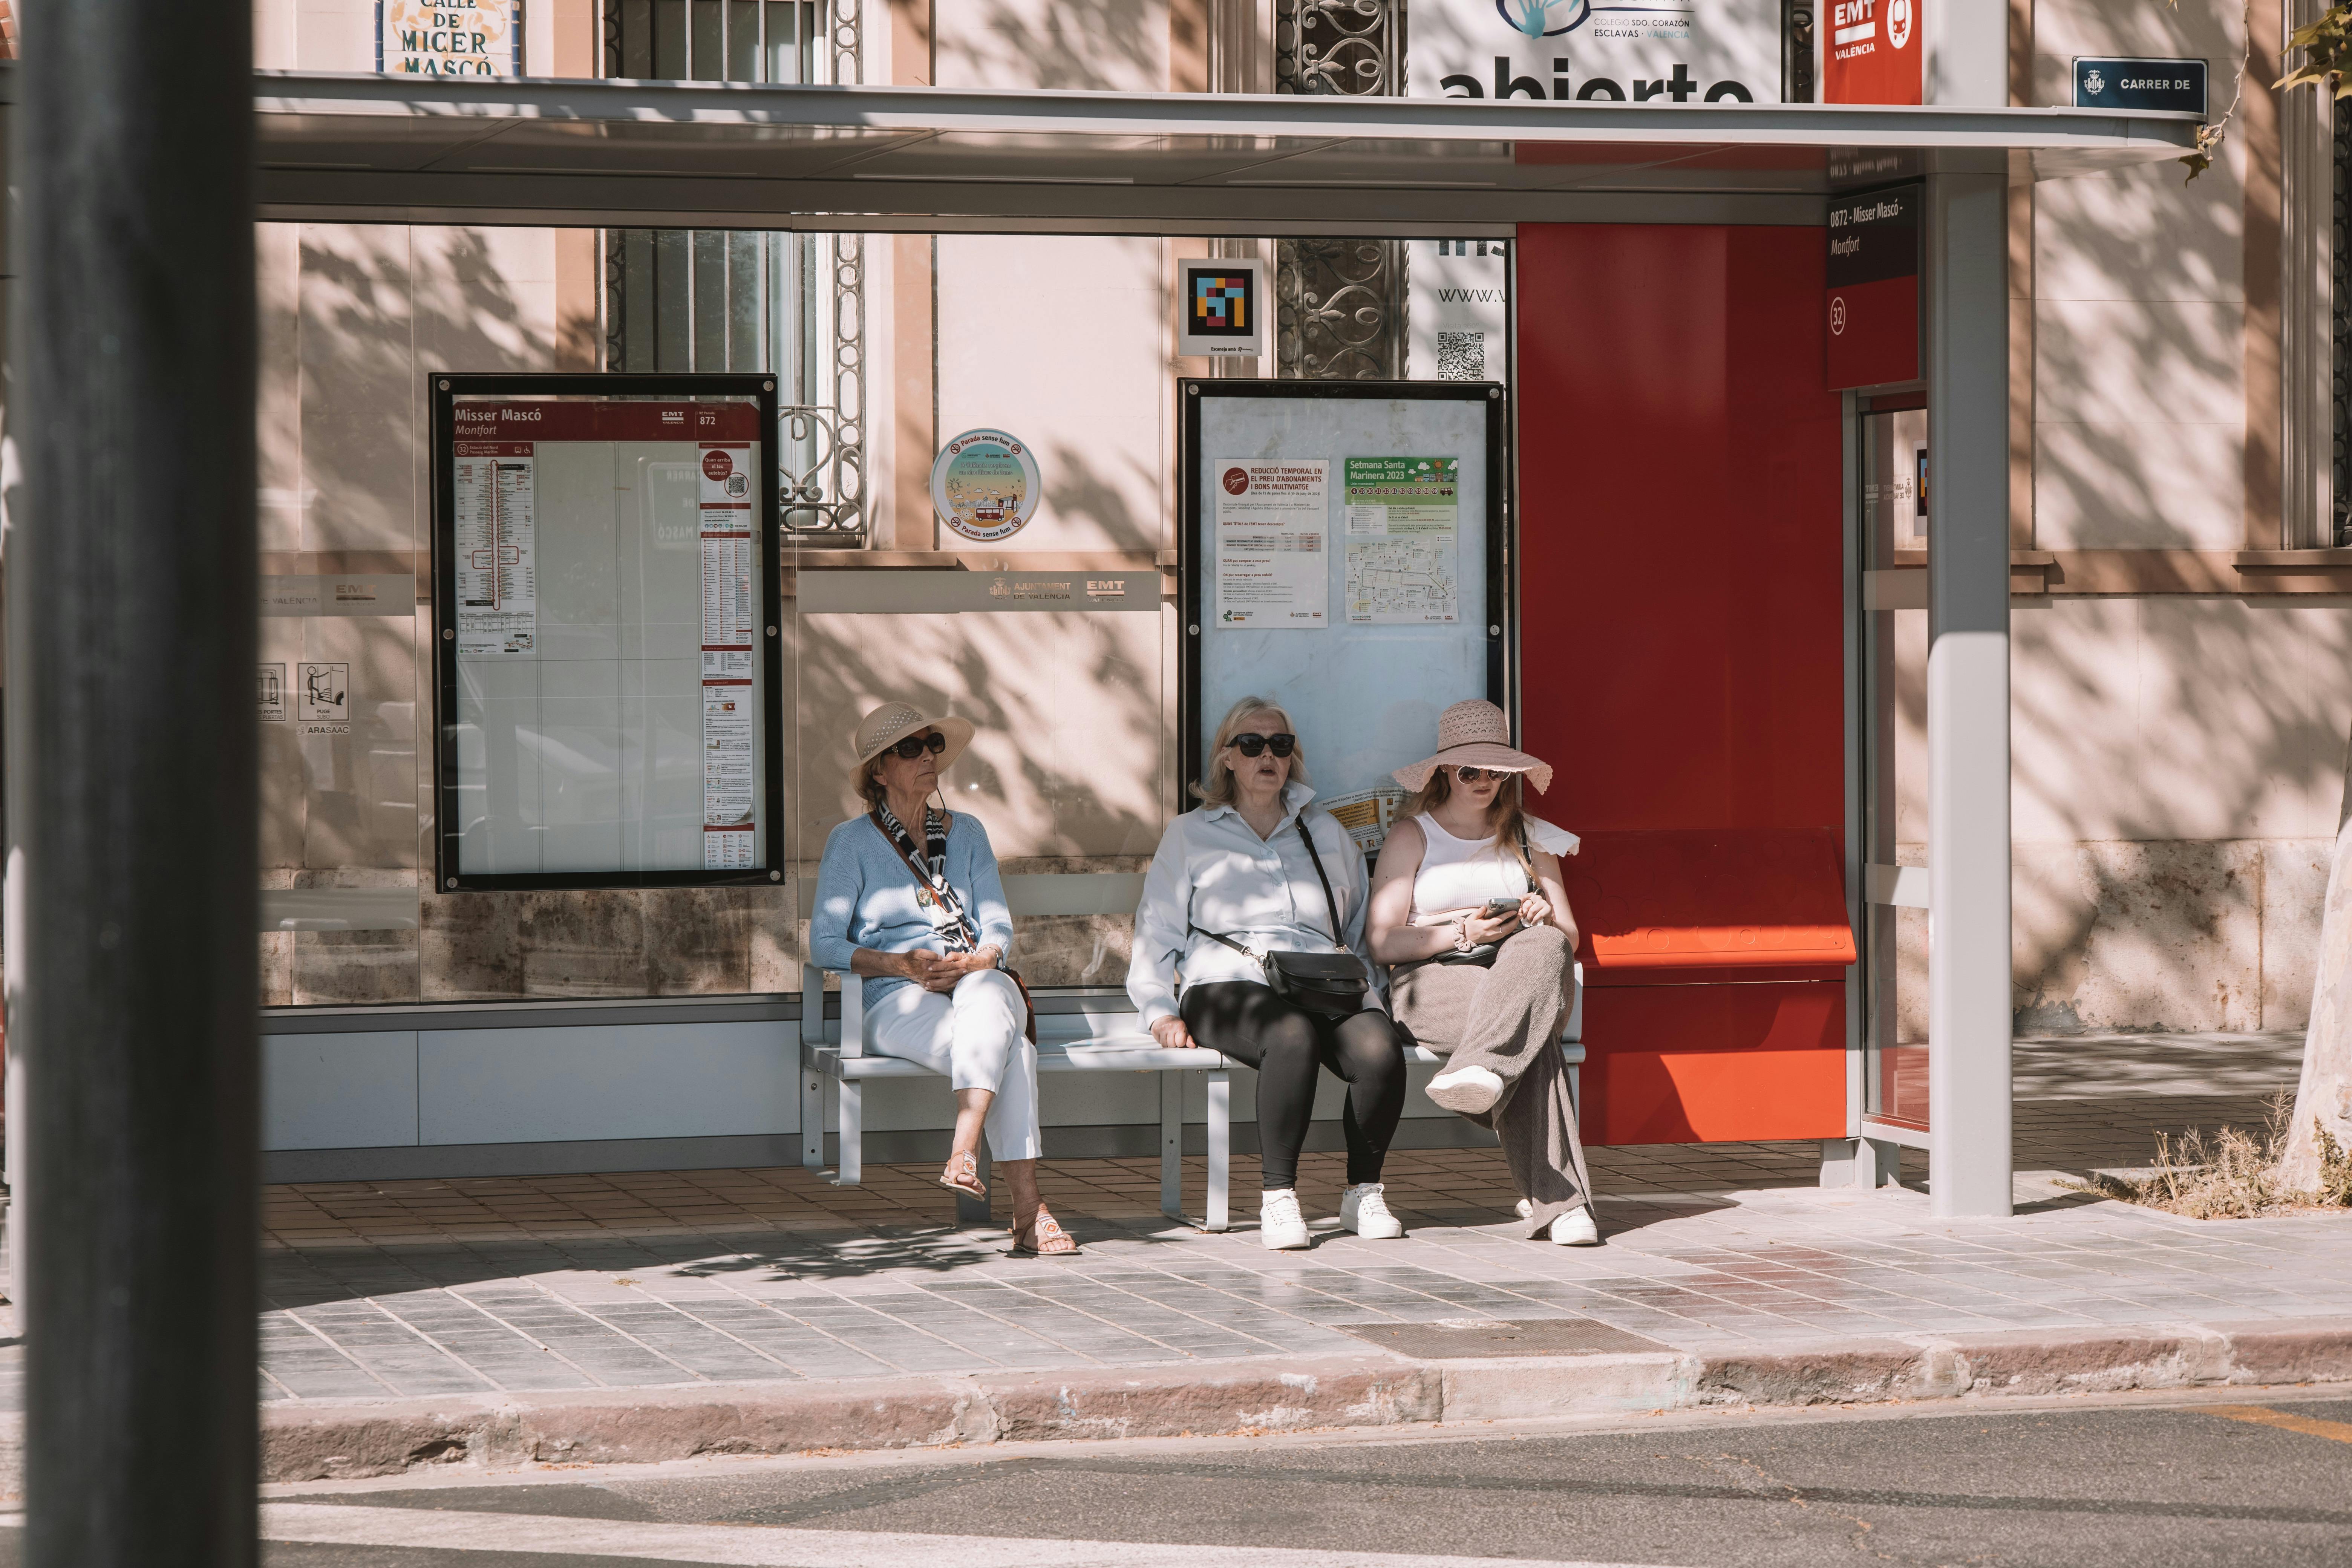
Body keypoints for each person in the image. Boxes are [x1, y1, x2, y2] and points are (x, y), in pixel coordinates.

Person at [1130, 695, 1410, 1250]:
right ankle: (1279, 1198)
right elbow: (1157, 927)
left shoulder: (1324, 832)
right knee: (1291, 1035)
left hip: (1316, 978)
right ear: (1227, 757)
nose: (1268, 756)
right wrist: (1158, 1009)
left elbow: (1354, 924)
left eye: (1280, 745)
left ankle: (1363, 1191)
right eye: (1252, 745)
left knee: (1379, 1049)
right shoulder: (1192, 833)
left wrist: (1370, 996)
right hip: (1224, 985)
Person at [811, 700, 1077, 1257]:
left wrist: (984, 957)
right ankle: (1028, 1211)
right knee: (1015, 1053)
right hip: (895, 999)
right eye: (909, 749)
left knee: (991, 986)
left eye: (931, 744)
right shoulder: (852, 842)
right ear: (879, 772)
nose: (927, 756)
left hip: (973, 983)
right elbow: (825, 945)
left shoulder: (969, 833)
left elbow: (998, 923)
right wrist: (897, 963)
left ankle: (965, 1146)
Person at [1367, 699, 1600, 1246]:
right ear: (1445, 770)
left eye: (1497, 772)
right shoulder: (1413, 835)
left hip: (1523, 973)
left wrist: (1540, 914)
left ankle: (1478, 1069)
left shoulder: (1532, 835)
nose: (1484, 782)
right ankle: (1564, 1207)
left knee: (1542, 944)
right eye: (1471, 770)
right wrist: (1464, 933)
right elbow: (1382, 941)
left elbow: (1569, 936)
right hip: (1433, 976)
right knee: (1533, 1038)